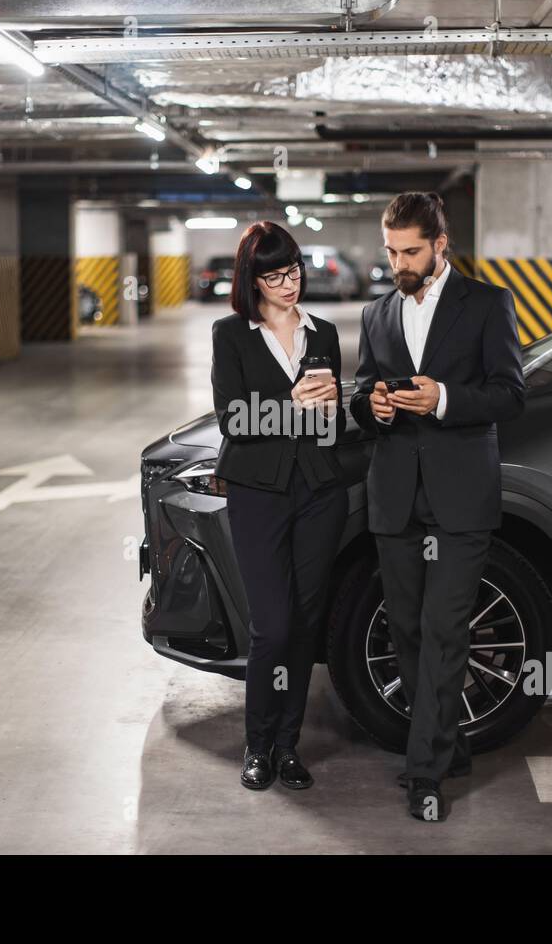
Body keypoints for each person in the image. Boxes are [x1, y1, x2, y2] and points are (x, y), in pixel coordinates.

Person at [350, 192, 526, 821]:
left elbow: (509, 394)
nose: (399, 262)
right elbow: (362, 390)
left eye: (411, 251)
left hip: (461, 497)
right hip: (394, 495)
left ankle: (424, 773)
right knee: (406, 630)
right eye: (391, 250)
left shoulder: (487, 304)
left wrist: (445, 400)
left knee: (447, 628)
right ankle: (445, 747)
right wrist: (369, 407)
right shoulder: (376, 314)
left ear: (441, 245)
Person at [210, 221, 349, 791]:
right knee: (272, 626)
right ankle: (257, 745)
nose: (289, 284)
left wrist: (336, 402)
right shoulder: (231, 334)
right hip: (258, 493)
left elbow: (329, 426)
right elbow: (233, 421)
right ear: (253, 280)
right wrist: (292, 401)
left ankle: (289, 747)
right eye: (274, 275)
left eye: (293, 271)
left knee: (306, 625)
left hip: (319, 492)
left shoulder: (324, 333)